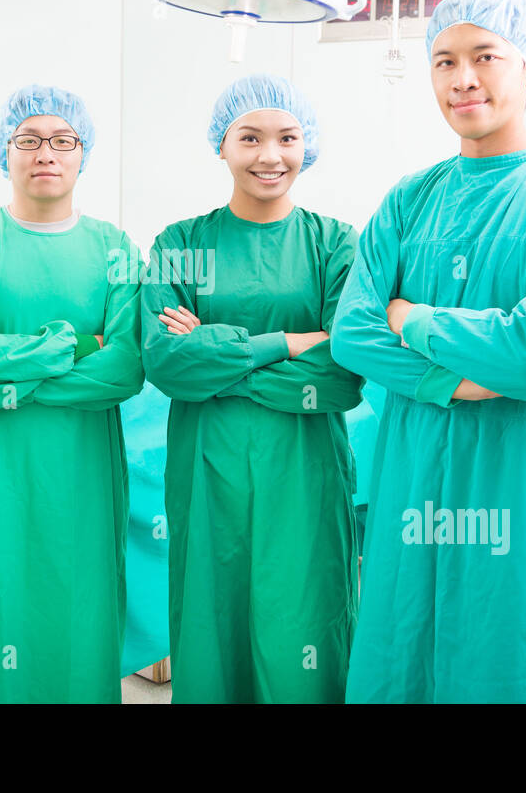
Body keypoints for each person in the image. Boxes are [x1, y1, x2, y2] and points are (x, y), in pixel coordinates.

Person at [332, 0, 526, 703]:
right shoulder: (409, 199)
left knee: (508, 656)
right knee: (400, 654)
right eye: (443, 61)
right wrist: (454, 381)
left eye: (485, 55)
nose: (462, 79)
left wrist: (414, 319)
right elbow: (351, 334)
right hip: (411, 475)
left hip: (520, 478)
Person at [141, 74, 364, 703]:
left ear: (306, 145)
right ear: (222, 145)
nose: (271, 155)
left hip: (307, 469)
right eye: (251, 137)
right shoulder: (181, 245)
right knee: (214, 623)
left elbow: (344, 372)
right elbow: (168, 363)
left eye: (287, 137)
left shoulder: (335, 244)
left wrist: (220, 355)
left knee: (304, 619)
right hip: (209, 469)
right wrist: (288, 341)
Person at [0, 84, 144, 703]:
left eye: (62, 140)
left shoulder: (115, 250)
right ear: (5, 151)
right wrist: (79, 343)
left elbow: (126, 369)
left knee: (82, 621)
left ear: (83, 153)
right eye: (29, 139)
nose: (46, 151)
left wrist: (10, 367)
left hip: (83, 482)